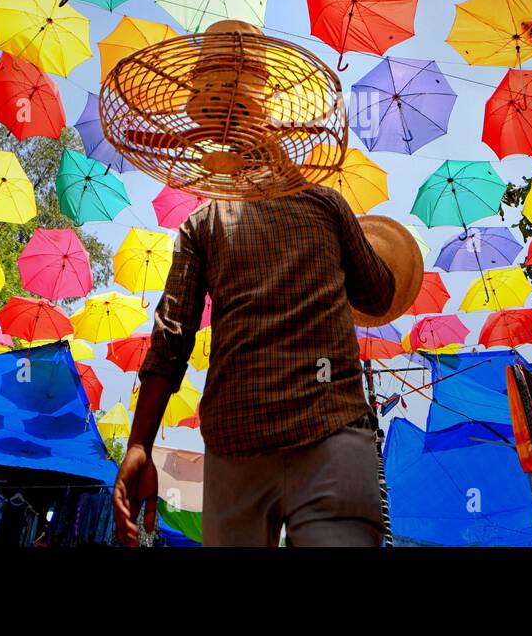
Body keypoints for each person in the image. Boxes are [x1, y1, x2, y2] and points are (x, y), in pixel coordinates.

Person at [112, 183, 395, 547]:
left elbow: (172, 335)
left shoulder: (202, 222)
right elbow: (380, 295)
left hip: (236, 445)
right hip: (332, 434)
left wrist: (140, 444)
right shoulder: (325, 203)